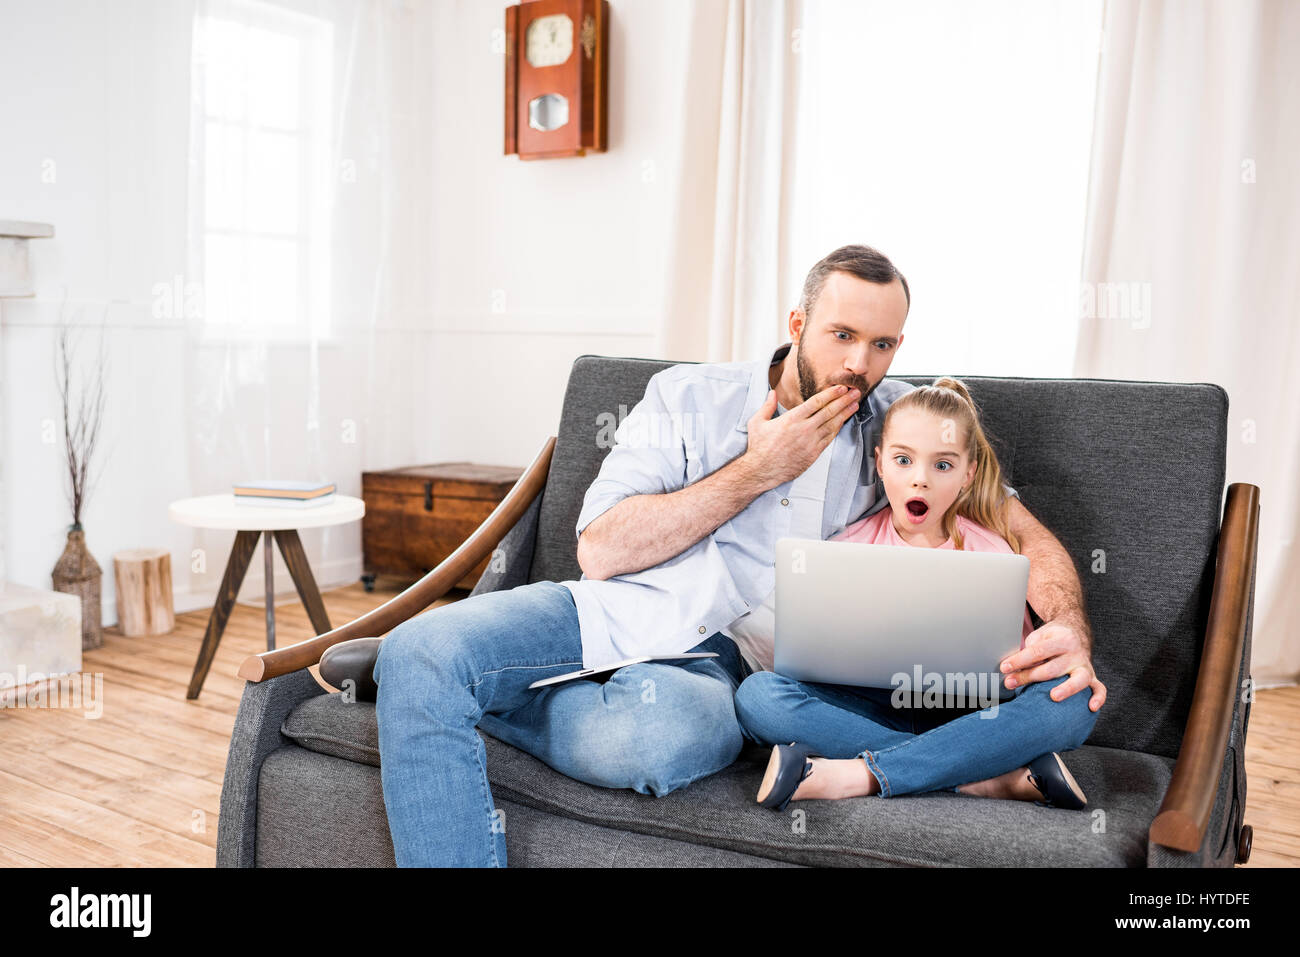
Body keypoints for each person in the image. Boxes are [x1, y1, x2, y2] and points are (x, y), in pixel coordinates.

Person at [370, 244, 1106, 866]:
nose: (860, 363)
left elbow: (1024, 532)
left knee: (650, 744)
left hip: (730, 671)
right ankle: (417, 677)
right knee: (426, 651)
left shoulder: (905, 425)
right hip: (615, 612)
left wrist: (1067, 624)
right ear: (797, 324)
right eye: (842, 335)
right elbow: (600, 550)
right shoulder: (688, 396)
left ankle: (421, 691)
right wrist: (759, 468)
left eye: (882, 345)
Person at [734, 377, 1098, 811]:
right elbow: (814, 658)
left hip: (975, 710)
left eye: (942, 465)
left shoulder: (997, 552)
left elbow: (1014, 664)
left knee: (1076, 699)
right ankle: (982, 774)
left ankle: (858, 773)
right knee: (758, 697)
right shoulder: (844, 548)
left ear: (969, 474)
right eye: (903, 460)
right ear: (880, 463)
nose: (920, 480)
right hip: (871, 706)